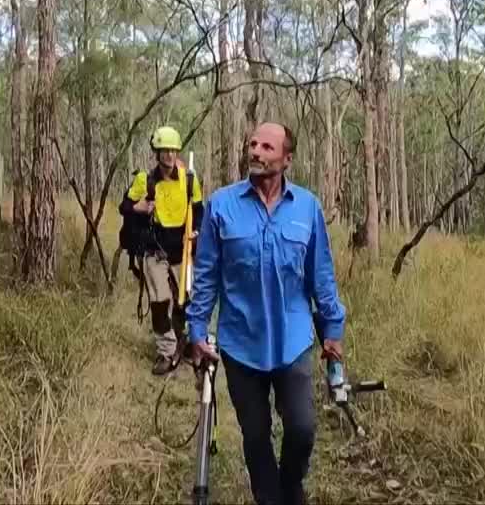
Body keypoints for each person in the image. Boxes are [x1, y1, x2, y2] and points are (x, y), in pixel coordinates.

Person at [186, 122, 346, 505]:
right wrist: (196, 329)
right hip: (241, 345)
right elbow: (206, 274)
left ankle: (290, 488)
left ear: (286, 159)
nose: (256, 151)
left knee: (302, 430)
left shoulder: (307, 207)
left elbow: (320, 274)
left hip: (293, 344)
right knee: (256, 437)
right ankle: (268, 498)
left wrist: (332, 328)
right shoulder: (222, 205)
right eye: (253, 144)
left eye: (267, 147)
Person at [118, 125, 204, 375]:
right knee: (159, 301)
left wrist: (197, 230)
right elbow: (124, 206)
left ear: (178, 152)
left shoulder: (189, 179)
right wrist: (138, 208)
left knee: (187, 301)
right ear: (157, 152)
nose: (168, 155)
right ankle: (166, 351)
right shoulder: (144, 180)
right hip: (155, 250)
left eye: (173, 150)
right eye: (164, 150)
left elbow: (198, 209)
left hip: (182, 250)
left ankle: (184, 342)